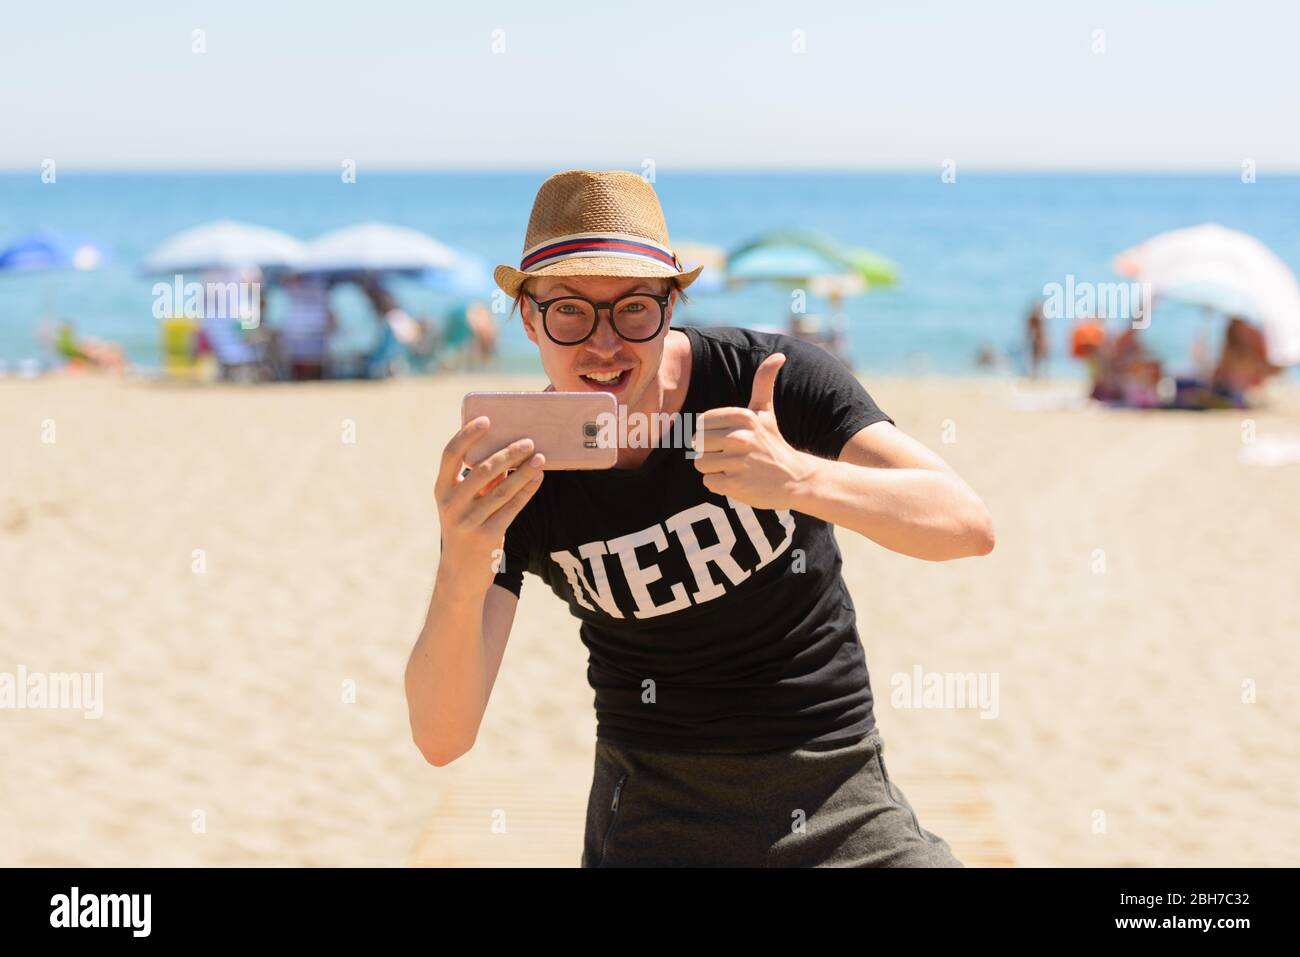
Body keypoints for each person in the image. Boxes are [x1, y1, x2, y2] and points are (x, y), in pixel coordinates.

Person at [404, 170, 995, 868]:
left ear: (672, 303)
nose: (603, 344)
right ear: (527, 317)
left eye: (633, 308)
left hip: (835, 781)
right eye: (569, 310)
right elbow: (442, 735)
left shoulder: (768, 379)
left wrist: (802, 477)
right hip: (654, 806)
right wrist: (462, 566)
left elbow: (965, 523)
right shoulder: (518, 475)